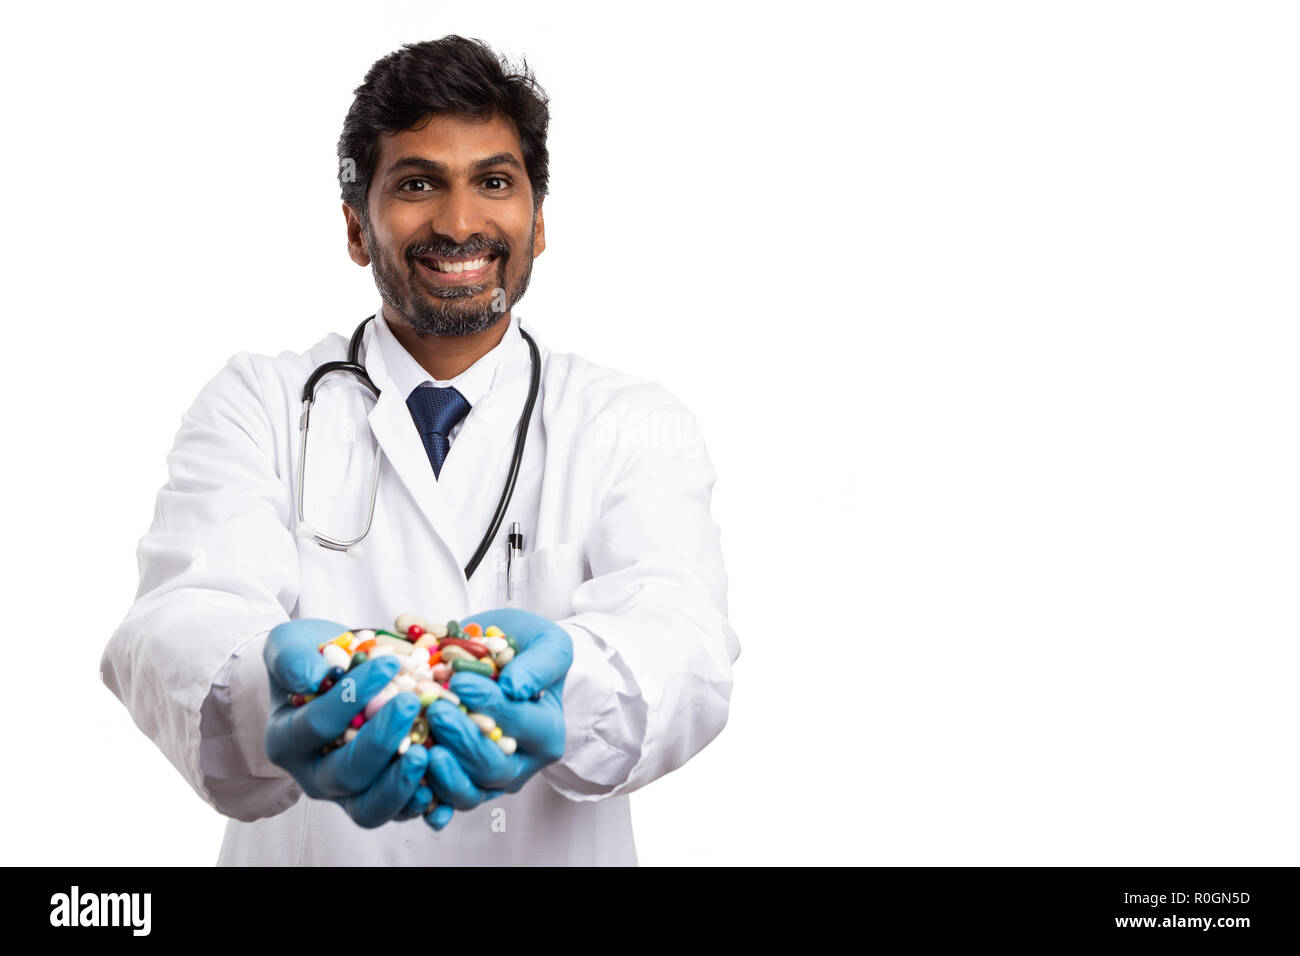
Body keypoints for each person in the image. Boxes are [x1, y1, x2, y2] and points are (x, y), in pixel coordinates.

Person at [99, 35, 739, 866]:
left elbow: (684, 642)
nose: (460, 221)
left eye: (495, 182)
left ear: (539, 224)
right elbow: (176, 621)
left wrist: (563, 683)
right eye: (416, 183)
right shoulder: (257, 403)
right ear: (358, 229)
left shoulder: (626, 420)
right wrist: (275, 692)